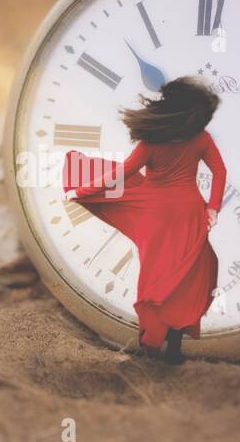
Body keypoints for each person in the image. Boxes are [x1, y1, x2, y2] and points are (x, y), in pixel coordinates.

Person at [63, 76, 226, 364]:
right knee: (183, 278)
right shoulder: (202, 138)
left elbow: (122, 173)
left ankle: (151, 340)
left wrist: (82, 190)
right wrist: (213, 208)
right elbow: (220, 171)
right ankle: (174, 348)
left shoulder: (153, 141)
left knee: (156, 276)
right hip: (190, 211)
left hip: (156, 212)